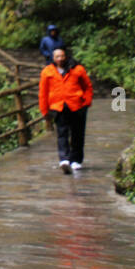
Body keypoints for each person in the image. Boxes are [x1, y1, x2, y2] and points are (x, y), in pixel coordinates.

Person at [39, 46, 93, 174]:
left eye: (62, 56)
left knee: (77, 134)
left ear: (66, 56)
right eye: (57, 56)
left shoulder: (77, 69)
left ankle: (76, 160)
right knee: (62, 133)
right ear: (53, 58)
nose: (60, 59)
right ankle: (64, 159)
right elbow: (43, 92)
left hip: (77, 105)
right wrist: (44, 110)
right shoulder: (47, 71)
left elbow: (88, 86)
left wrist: (86, 102)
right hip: (58, 106)